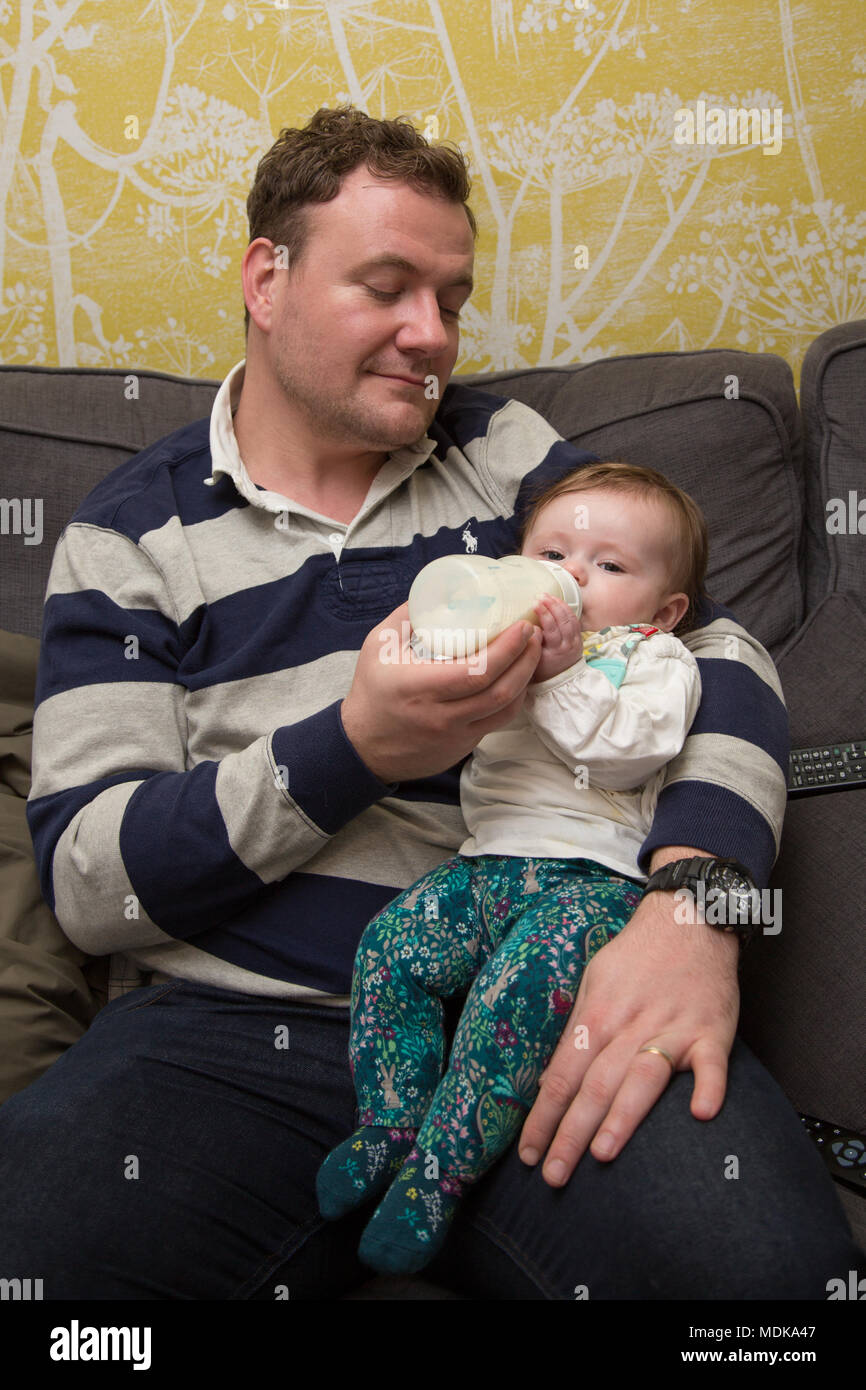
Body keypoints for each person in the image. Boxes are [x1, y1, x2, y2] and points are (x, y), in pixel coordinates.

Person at [3, 105, 861, 1299]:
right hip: (227, 1032)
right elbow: (94, 877)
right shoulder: (127, 535)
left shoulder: (502, 454)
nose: (433, 337)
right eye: (388, 287)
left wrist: (694, 913)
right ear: (267, 276)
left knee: (768, 1294)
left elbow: (710, 649)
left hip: (549, 987)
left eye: (451, 300)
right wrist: (349, 746)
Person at [317, 461, 706, 1274]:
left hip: (592, 886)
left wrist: (563, 673)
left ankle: (439, 1175)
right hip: (482, 867)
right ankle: (390, 1120)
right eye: (553, 555)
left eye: (608, 566)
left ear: (665, 607)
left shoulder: (656, 659)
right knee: (391, 949)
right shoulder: (510, 643)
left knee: (515, 999)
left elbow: (630, 754)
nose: (572, 578)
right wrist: (434, 647)